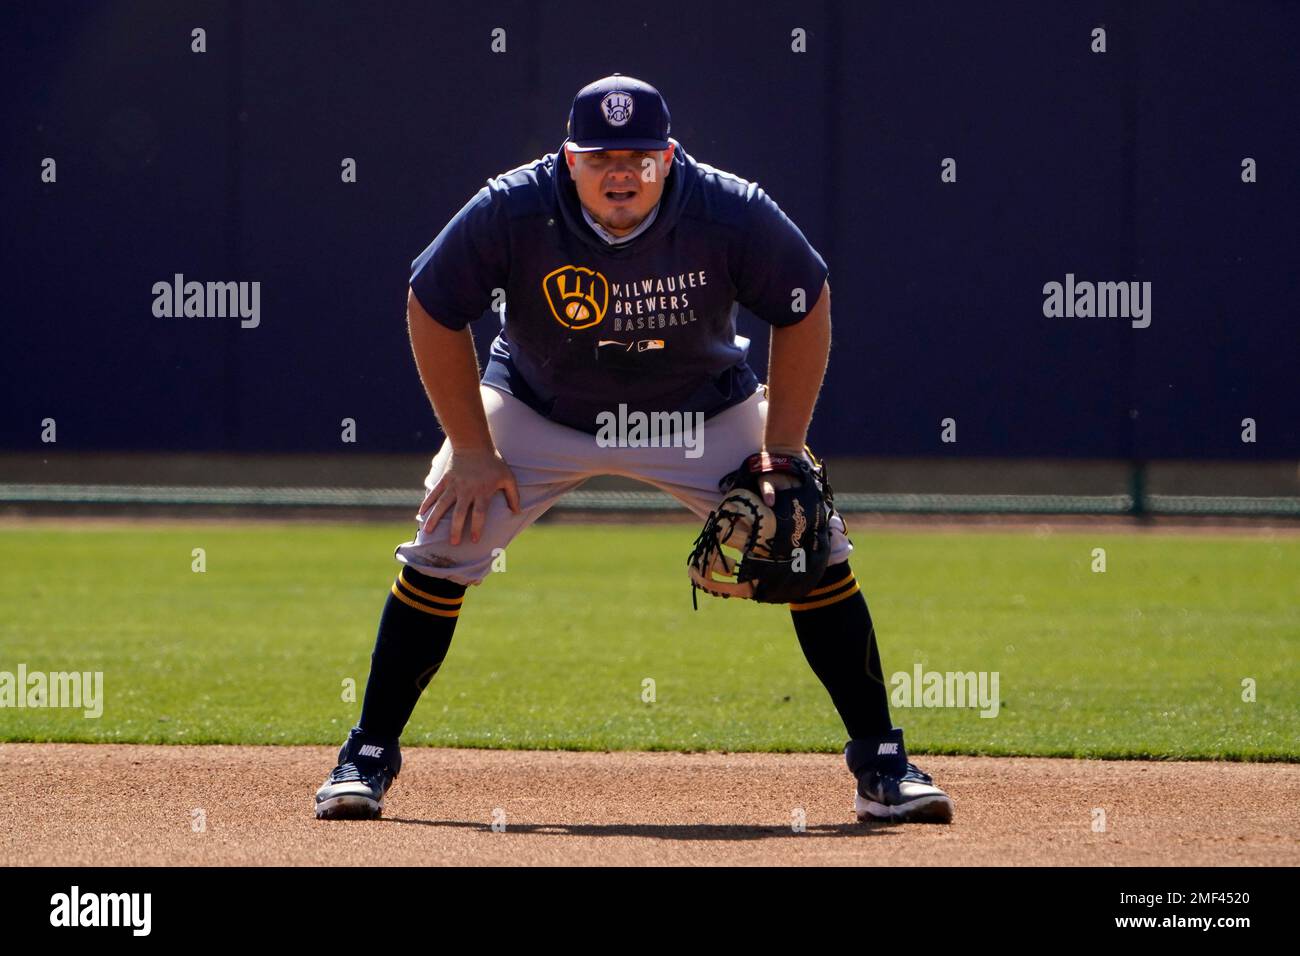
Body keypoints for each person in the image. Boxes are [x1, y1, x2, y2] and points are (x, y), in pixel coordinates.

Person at [313, 74, 953, 825]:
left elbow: (805, 302)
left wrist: (783, 451)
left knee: (812, 544)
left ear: (670, 158)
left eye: (640, 157)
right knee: (445, 538)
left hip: (698, 410)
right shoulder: (513, 207)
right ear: (568, 160)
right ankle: (365, 757)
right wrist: (471, 448)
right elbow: (431, 303)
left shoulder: (728, 209)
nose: (622, 172)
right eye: (601, 157)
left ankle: (882, 764)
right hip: (539, 406)